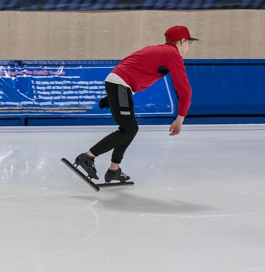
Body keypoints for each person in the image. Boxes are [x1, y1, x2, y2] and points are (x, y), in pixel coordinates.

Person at [73, 25, 196, 183]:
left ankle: (114, 170)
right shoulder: (172, 54)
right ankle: (87, 157)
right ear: (182, 41)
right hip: (120, 86)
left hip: (119, 85)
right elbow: (185, 89)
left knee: (130, 129)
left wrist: (111, 96)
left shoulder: (158, 50)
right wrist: (180, 118)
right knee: (128, 129)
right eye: (189, 43)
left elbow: (130, 65)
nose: (188, 47)